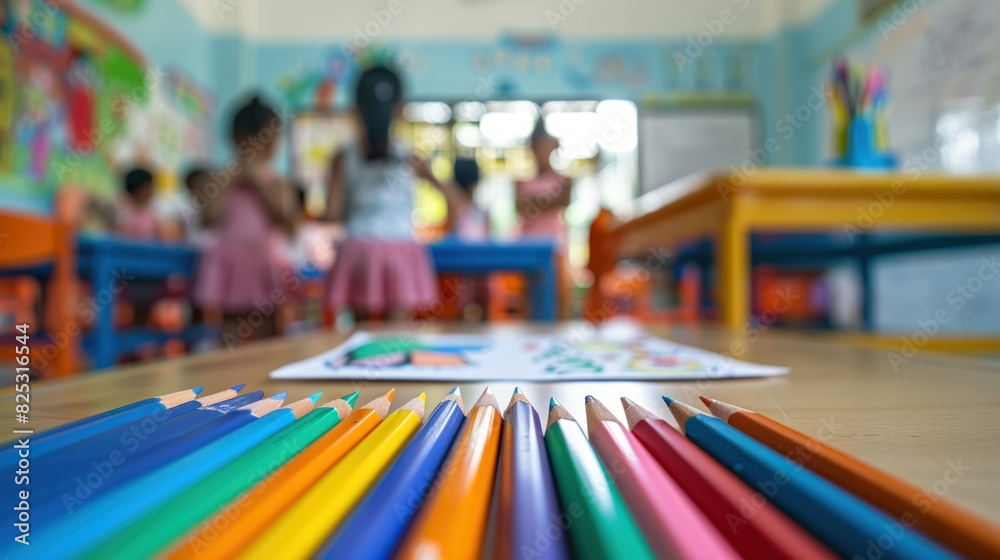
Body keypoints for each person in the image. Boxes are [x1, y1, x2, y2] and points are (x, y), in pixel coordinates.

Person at [324, 66, 436, 320]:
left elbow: (332, 214)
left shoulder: (343, 157)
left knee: (358, 336)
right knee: (396, 333)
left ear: (355, 109)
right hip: (401, 249)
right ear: (399, 109)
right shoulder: (411, 157)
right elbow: (455, 201)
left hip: (357, 250)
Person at [195, 95, 299, 343]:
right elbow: (208, 217)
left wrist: (257, 180)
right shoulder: (221, 178)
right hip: (231, 262)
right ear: (236, 139)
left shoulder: (277, 182)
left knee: (272, 333)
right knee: (231, 331)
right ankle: (231, 379)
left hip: (265, 262)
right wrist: (232, 178)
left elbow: (289, 222)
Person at [517, 122, 573, 317]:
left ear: (552, 147)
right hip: (527, 248)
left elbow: (564, 200)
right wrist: (550, 200)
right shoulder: (521, 181)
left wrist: (534, 202)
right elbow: (520, 207)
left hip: (554, 247)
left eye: (545, 145)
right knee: (528, 297)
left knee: (557, 296)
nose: (540, 150)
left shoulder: (564, 180)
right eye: (537, 145)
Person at [117, 167, 161, 239]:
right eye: (150, 186)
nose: (152, 190)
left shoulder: (154, 212)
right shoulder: (121, 211)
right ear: (141, 189)